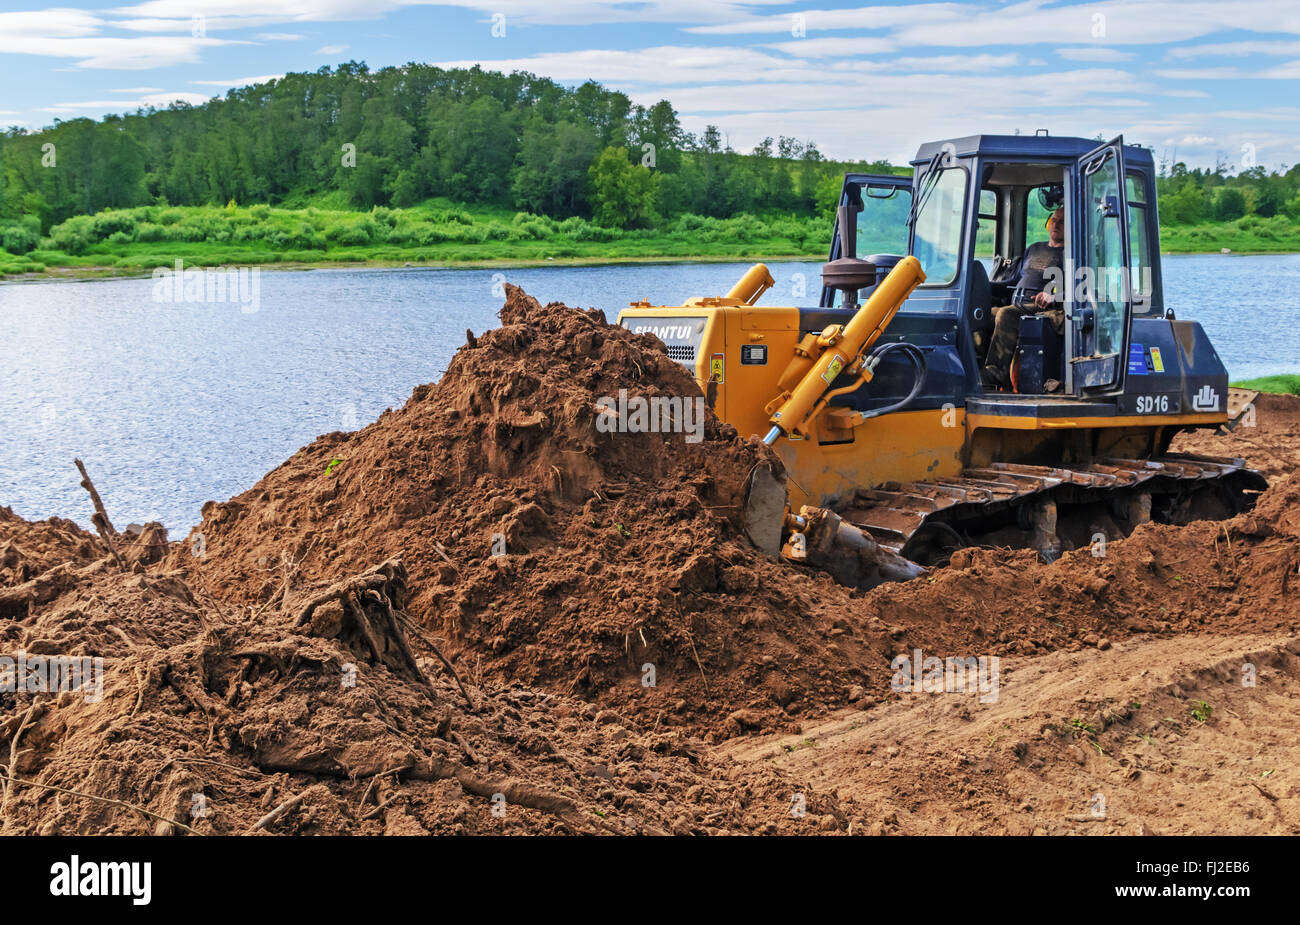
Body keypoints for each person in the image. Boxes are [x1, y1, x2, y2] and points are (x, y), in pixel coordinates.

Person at [982, 206, 1065, 390]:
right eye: (1054, 220)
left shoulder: (1070, 255)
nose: (1055, 224)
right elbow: (1014, 281)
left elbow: (1078, 291)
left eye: (1061, 221)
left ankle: (993, 377)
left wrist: (1053, 296)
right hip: (1016, 303)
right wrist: (982, 286)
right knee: (979, 315)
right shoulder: (1034, 248)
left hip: (1040, 307)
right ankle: (976, 371)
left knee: (1005, 315)